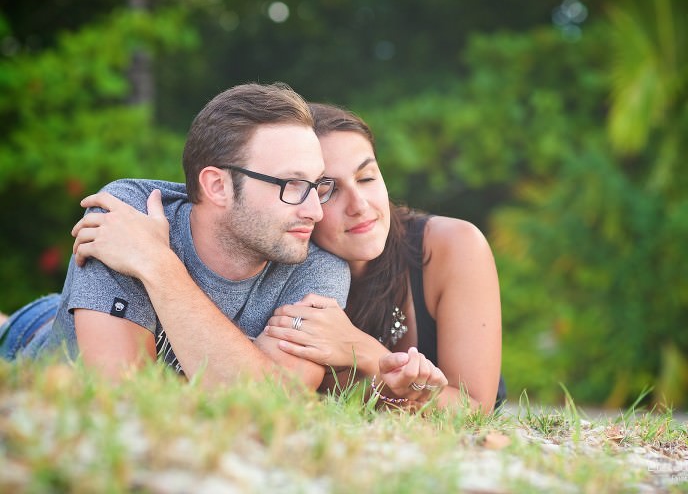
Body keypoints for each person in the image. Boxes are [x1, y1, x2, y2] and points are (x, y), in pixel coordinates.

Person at [0, 82, 351, 389]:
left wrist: (157, 266)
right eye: (291, 185)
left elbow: (276, 401)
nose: (315, 212)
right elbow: (120, 394)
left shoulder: (316, 262)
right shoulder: (129, 213)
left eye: (318, 185)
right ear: (217, 186)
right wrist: (246, 367)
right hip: (34, 339)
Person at [263, 103, 505, 412]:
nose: (359, 205)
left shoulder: (452, 246)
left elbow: (474, 411)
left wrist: (360, 350)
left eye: (366, 178)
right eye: (328, 190)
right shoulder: (280, 270)